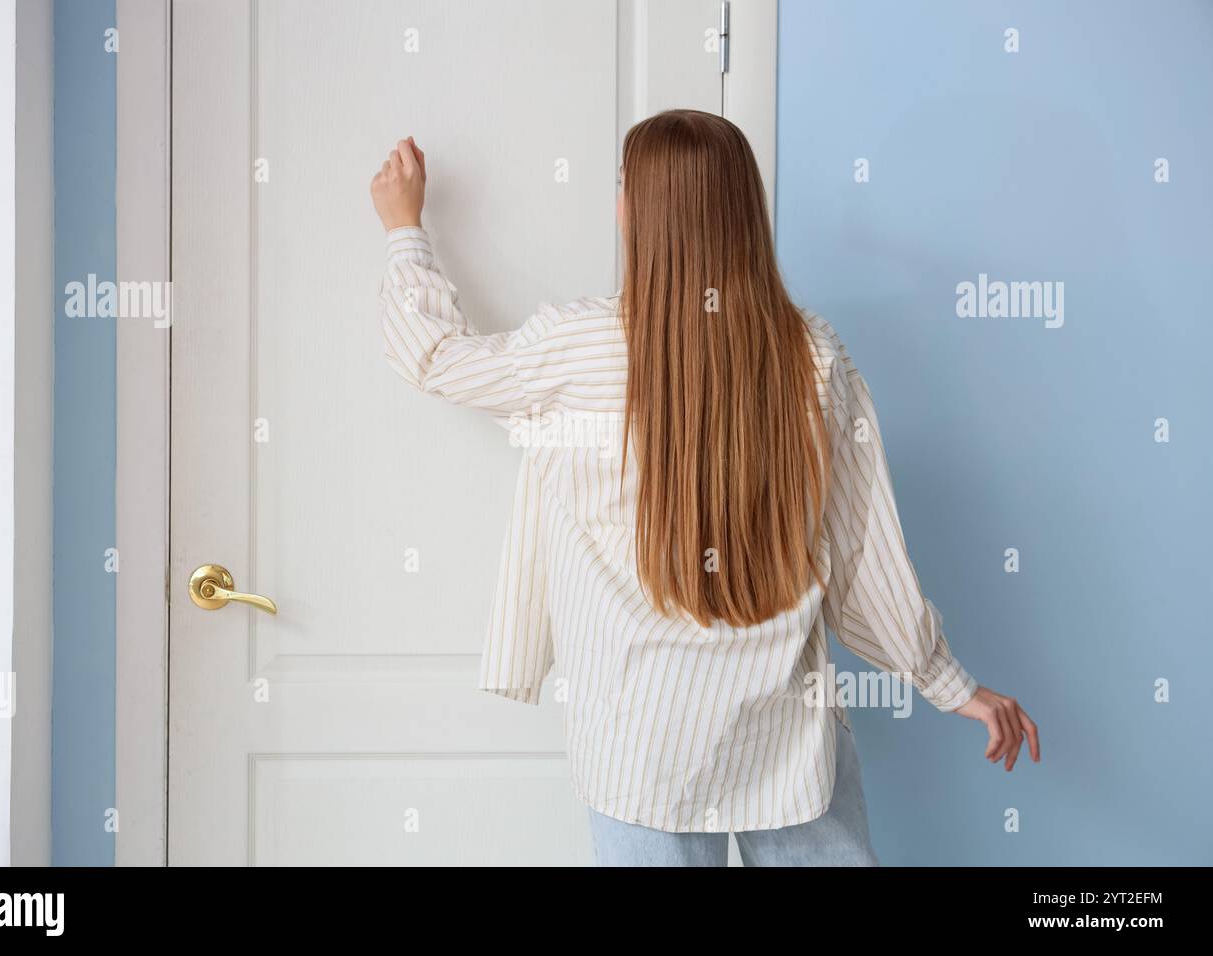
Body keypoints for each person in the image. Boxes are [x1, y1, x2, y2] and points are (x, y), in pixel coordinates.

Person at [369, 110, 1039, 867]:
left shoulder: (575, 347)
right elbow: (861, 552)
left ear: (637, 209)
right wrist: (951, 684)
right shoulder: (812, 355)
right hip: (786, 739)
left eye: (622, 185)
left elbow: (432, 358)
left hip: (638, 747)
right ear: (741, 211)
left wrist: (405, 229)